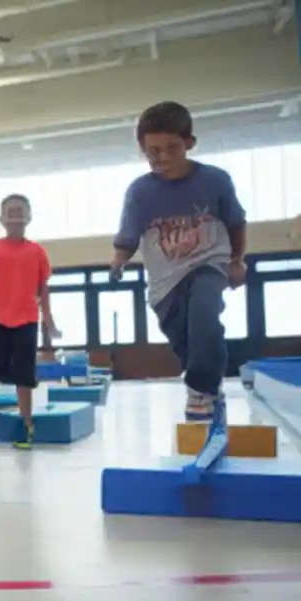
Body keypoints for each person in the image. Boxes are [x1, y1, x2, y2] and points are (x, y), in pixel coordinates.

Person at [111, 101, 245, 423]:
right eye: (153, 150)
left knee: (204, 316)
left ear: (189, 143)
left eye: (172, 148)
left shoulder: (215, 181)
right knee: (184, 339)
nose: (163, 158)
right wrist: (118, 261)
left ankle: (201, 388)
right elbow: (128, 235)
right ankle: (209, 384)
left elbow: (236, 222)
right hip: (164, 279)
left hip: (208, 263)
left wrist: (237, 261)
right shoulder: (140, 191)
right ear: (141, 148)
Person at [0, 194, 56, 449]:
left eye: (21, 211)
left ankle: (26, 421)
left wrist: (48, 319)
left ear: (28, 217)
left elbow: (43, 287)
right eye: (11, 211)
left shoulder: (37, 252)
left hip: (27, 318)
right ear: (1, 218)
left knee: (24, 371)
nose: (16, 214)